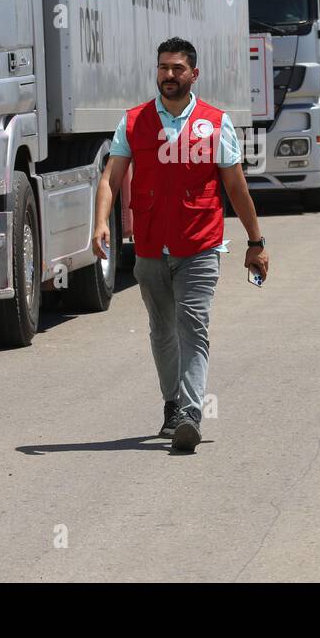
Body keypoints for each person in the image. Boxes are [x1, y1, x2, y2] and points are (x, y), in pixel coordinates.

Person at [93, 37, 269, 453]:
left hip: (200, 245)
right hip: (151, 246)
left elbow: (236, 187)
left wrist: (255, 241)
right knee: (161, 331)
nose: (168, 76)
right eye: (162, 68)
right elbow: (111, 178)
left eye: (177, 69)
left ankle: (191, 412)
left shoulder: (214, 122)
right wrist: (101, 221)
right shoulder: (134, 122)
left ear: (194, 73)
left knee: (193, 327)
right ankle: (172, 404)